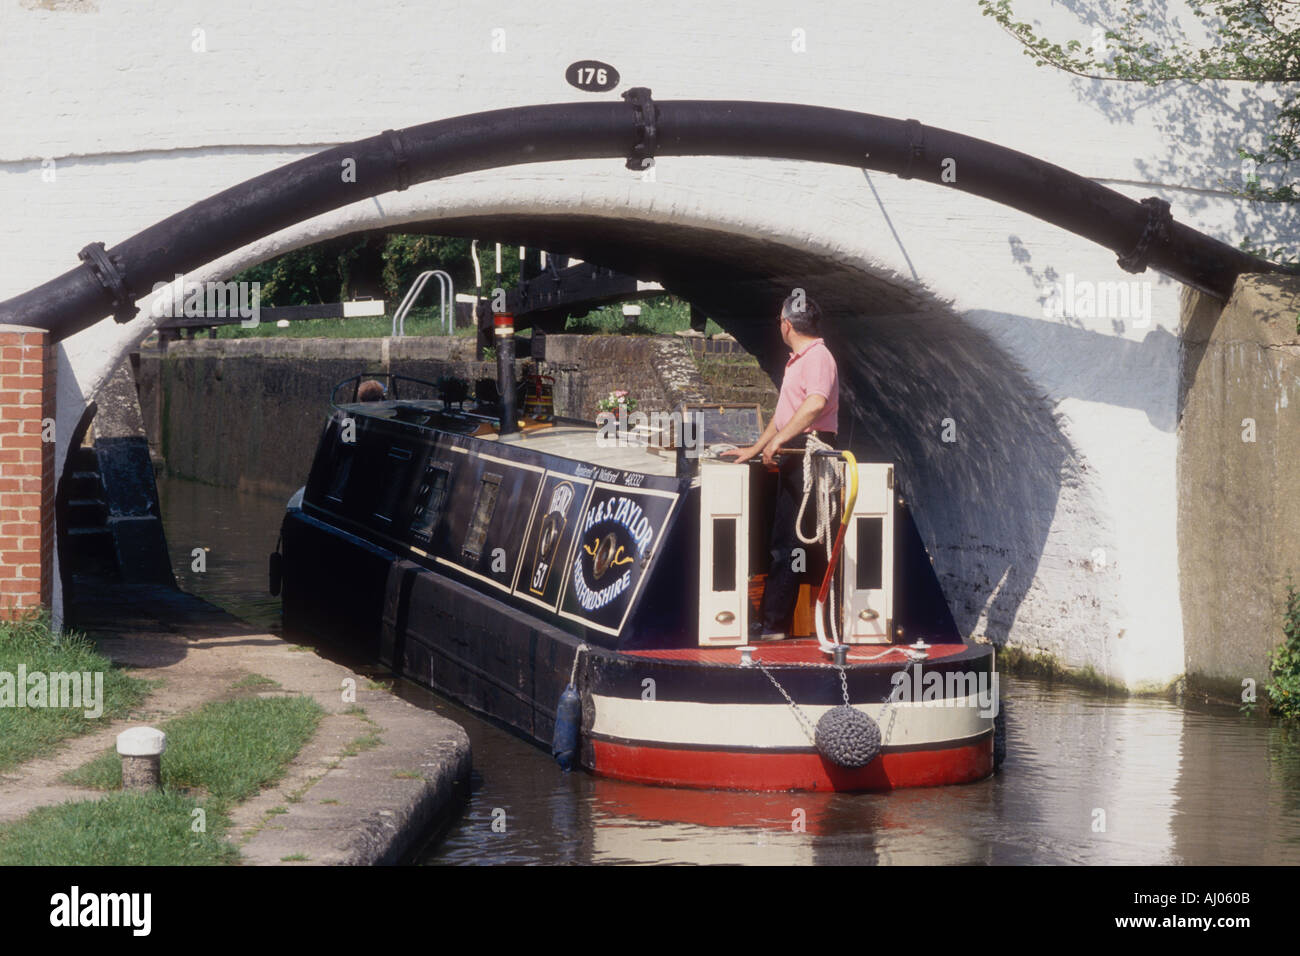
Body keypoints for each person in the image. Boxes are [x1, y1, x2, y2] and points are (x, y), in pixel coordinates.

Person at [722, 292, 839, 641]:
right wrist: (757, 448)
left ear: (787, 325)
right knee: (782, 541)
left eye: (779, 321)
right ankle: (774, 620)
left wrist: (779, 441)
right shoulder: (798, 360)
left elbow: (815, 404)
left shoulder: (818, 357)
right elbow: (785, 414)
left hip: (808, 452)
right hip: (793, 451)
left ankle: (774, 626)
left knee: (790, 545)